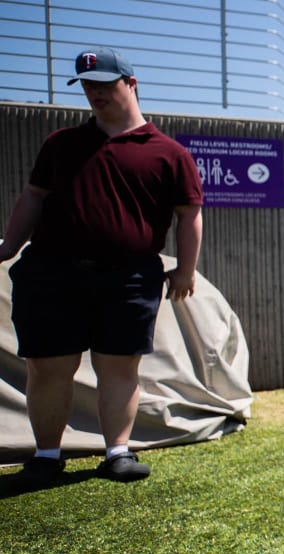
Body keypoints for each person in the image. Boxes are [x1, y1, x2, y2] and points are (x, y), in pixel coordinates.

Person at [0, 46, 203, 483]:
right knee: (48, 365)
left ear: (131, 84)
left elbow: (189, 215)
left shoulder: (169, 153)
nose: (96, 93)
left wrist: (186, 270)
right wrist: (9, 245)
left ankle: (117, 453)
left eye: (105, 84)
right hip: (51, 272)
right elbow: (33, 196)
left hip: (129, 277)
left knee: (119, 366)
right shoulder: (61, 144)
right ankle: (47, 456)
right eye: (88, 85)